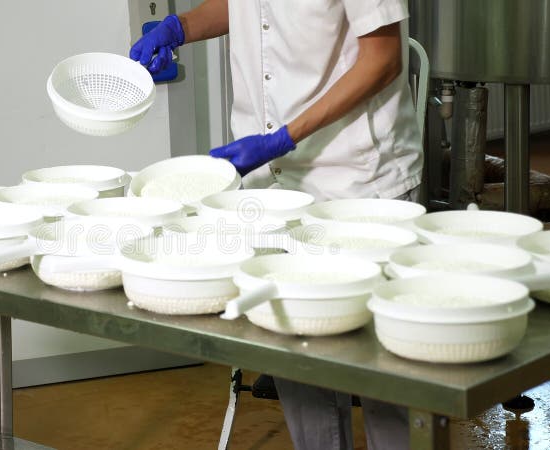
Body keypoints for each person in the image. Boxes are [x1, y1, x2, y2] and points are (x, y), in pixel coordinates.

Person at [131, 1, 421, 449]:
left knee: (381, 363)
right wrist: (179, 27)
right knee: (295, 354)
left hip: (356, 181)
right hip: (275, 188)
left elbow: (382, 59)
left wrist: (284, 137)